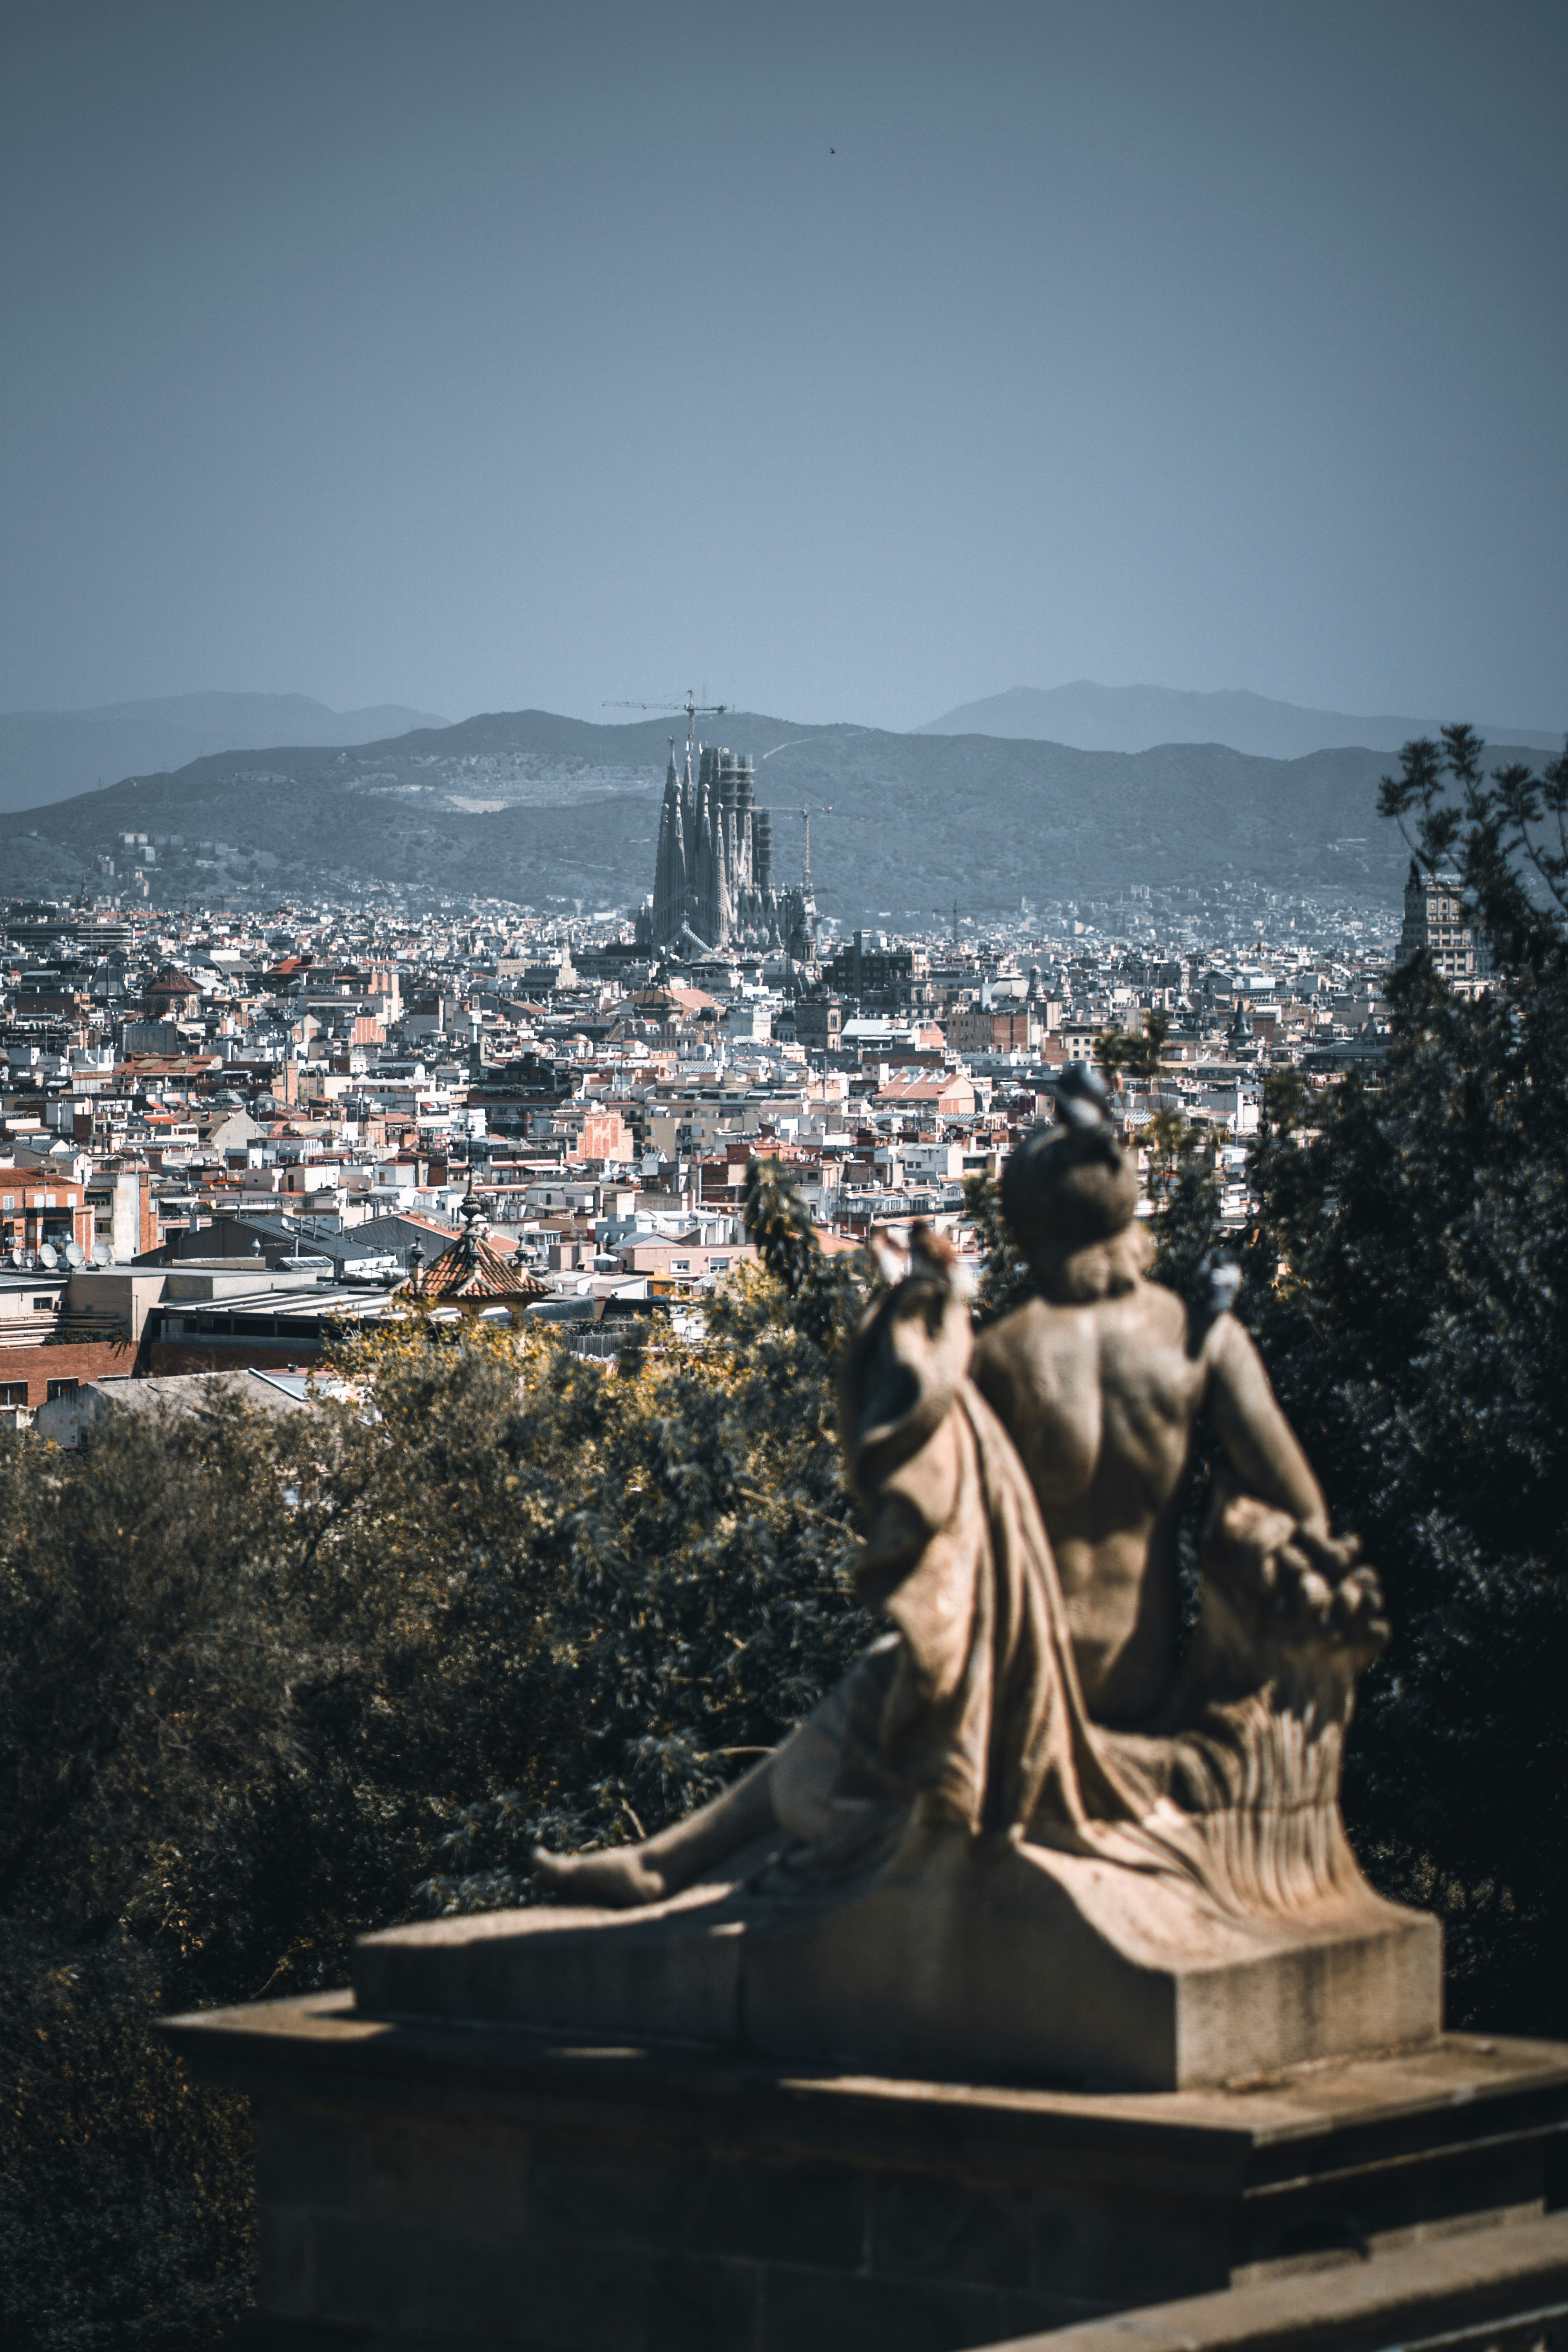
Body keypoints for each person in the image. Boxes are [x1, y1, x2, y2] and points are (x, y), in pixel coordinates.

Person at [532, 1071, 1372, 1911]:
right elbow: (1303, 1515)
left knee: (863, 1694)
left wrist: (912, 1320)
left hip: (1015, 1695)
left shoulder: (1002, 1358)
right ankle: (670, 1866)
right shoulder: (1198, 1347)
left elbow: (914, 1476)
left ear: (1025, 1229)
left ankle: (667, 1864)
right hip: (1143, 1695)